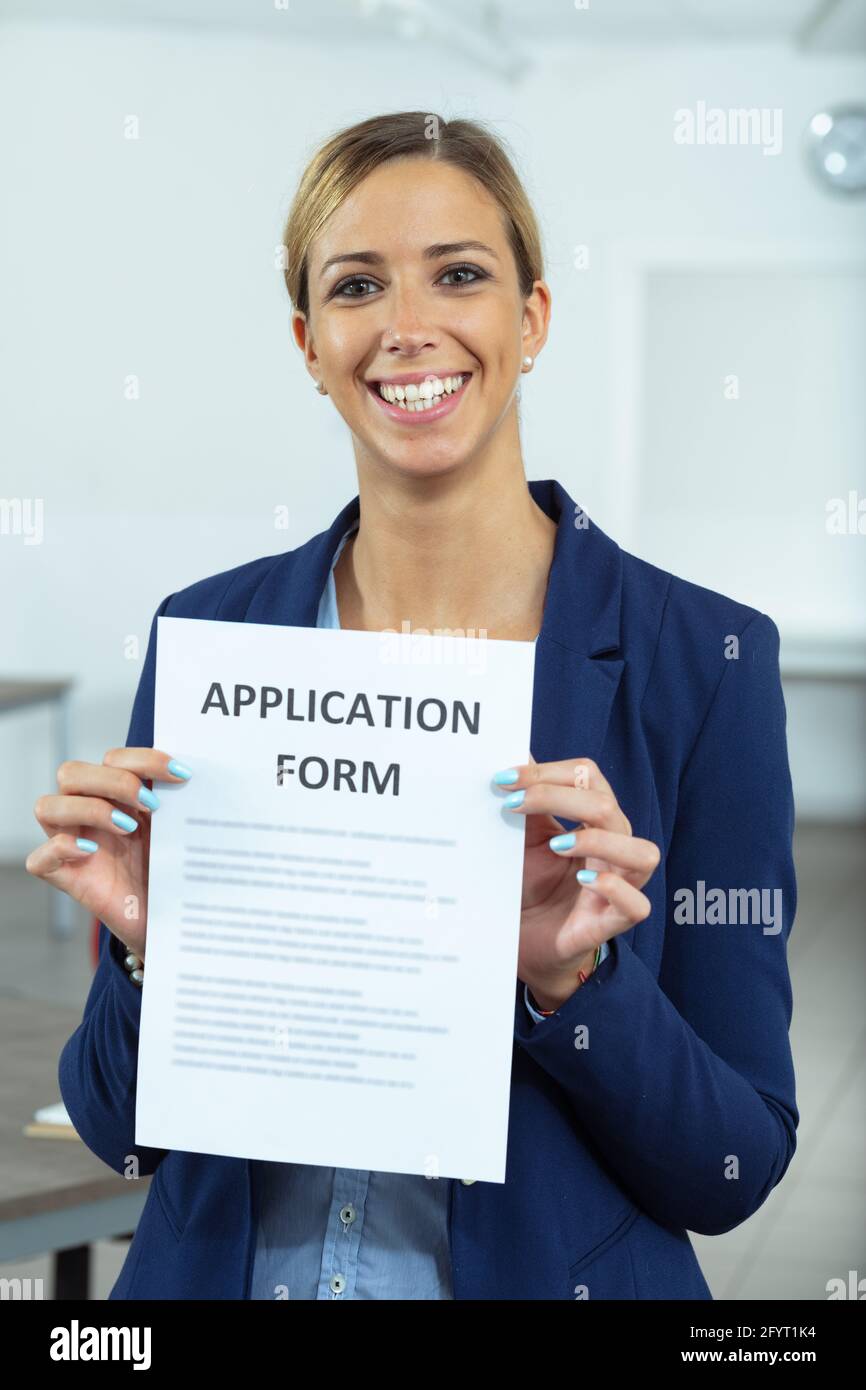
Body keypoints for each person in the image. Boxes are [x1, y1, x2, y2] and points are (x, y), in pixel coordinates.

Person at [26, 111, 798, 1300]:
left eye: (458, 274)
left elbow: (730, 1167)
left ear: (530, 318)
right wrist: (145, 958)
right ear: (308, 340)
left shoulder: (708, 661)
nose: (406, 326)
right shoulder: (210, 638)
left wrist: (571, 986)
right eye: (355, 285)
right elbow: (123, 1135)